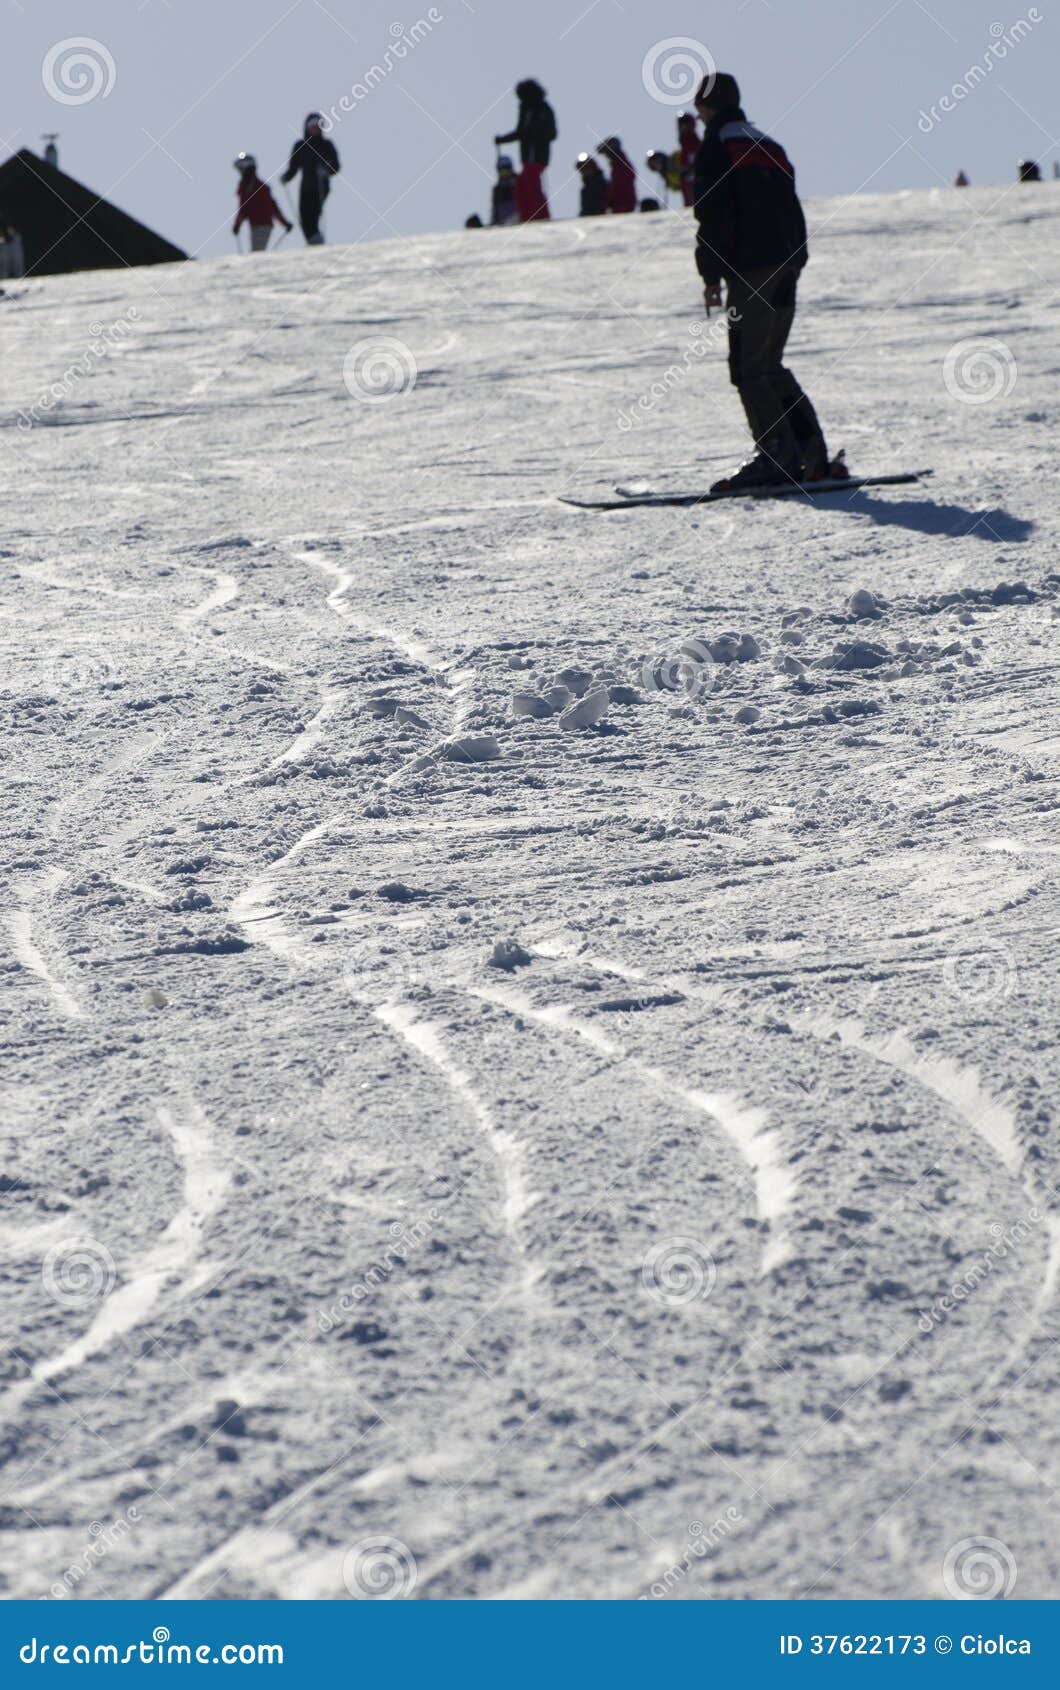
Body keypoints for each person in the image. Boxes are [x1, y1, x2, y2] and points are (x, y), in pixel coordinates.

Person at [692, 71, 842, 491]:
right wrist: (796, 259)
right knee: (769, 363)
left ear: (709, 105)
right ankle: (811, 453)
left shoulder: (718, 144)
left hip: (752, 268)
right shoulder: (767, 142)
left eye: (698, 103)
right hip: (787, 264)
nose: (695, 112)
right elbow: (790, 207)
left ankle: (775, 454)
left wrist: (711, 273)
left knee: (748, 367)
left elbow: (714, 212)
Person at [495, 80, 556, 223]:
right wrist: (503, 139)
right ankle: (527, 216)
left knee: (531, 184)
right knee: (521, 185)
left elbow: (552, 133)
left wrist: (536, 132)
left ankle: (541, 216)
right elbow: (521, 132)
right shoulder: (525, 109)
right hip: (527, 156)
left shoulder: (543, 109)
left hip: (537, 155)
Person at [282, 113, 340, 245]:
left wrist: (326, 171)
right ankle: (314, 241)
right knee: (304, 218)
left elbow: (336, 166)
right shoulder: (300, 146)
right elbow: (294, 167)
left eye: (318, 127)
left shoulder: (326, 145)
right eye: (313, 126)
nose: (315, 129)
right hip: (305, 188)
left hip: (320, 187)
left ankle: (316, 242)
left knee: (313, 216)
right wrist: (286, 177)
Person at [233, 153, 292, 252]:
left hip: (261, 225)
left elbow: (244, 208)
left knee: (257, 253)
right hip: (259, 225)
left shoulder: (252, 187)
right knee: (257, 252)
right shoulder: (255, 186)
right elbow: (273, 208)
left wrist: (237, 224)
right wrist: (284, 223)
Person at [599, 137, 636, 214]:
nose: (606, 156)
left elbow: (619, 186)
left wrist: (610, 200)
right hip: (618, 206)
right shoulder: (617, 165)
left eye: (607, 152)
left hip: (623, 205)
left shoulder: (621, 165)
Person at [675, 111, 699, 205]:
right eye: (681, 124)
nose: (683, 127)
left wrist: (689, 169)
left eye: (686, 123)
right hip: (687, 191)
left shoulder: (696, 145)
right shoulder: (683, 149)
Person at [576, 152, 608, 217]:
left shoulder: (601, 184)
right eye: (582, 169)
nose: (585, 171)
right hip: (588, 220)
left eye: (587, 167)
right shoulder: (585, 188)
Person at [491, 155, 519, 226]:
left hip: (518, 218)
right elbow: (495, 210)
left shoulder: (518, 183)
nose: (504, 172)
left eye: (506, 168)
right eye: (502, 169)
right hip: (503, 222)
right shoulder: (497, 189)